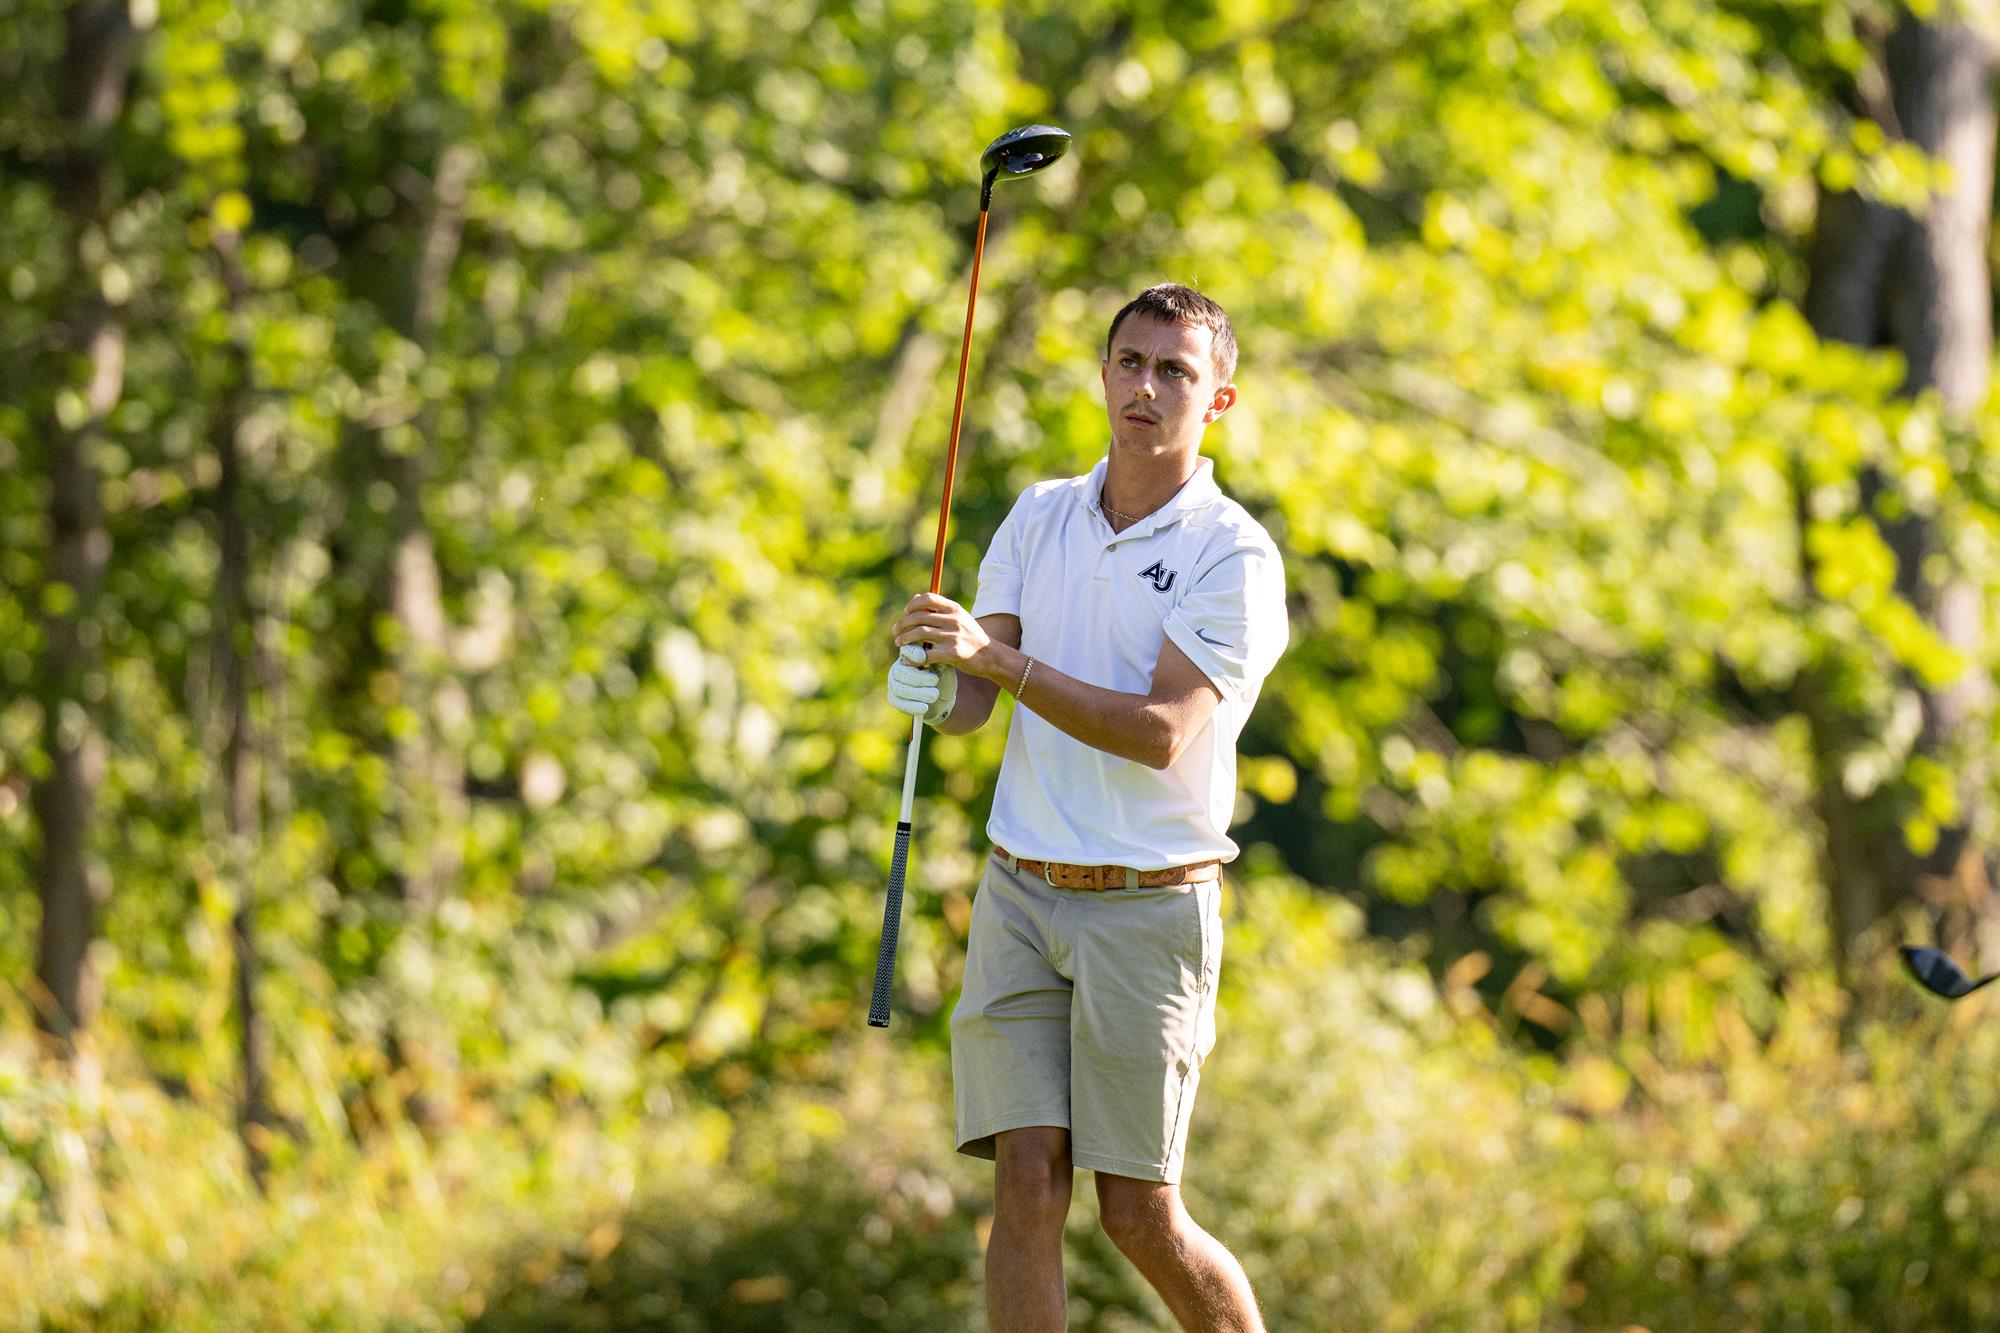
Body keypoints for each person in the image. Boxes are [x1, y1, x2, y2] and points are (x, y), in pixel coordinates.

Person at [885, 283, 1288, 1333]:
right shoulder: (1038, 513)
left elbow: (1160, 730)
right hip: (1020, 888)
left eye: (1173, 371)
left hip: (1148, 907)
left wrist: (997, 660)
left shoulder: (1229, 553)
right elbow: (977, 703)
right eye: (1128, 362)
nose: (1144, 385)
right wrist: (933, 677)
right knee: (1023, 1179)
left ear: (1219, 401)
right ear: (1102, 373)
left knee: (1137, 1213)